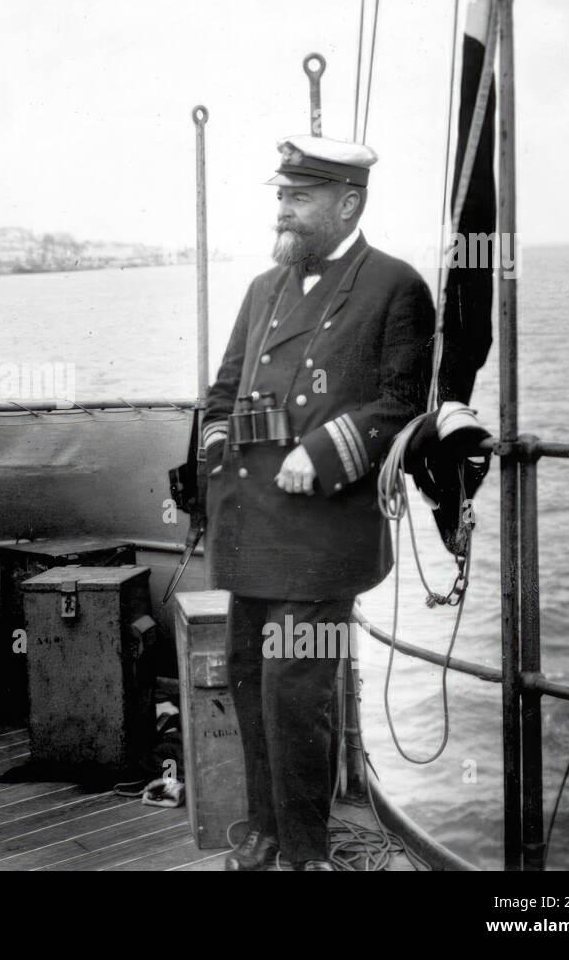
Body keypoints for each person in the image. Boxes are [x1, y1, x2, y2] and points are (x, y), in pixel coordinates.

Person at [202, 135, 435, 871]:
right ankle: (267, 832)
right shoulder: (261, 289)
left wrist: (326, 451)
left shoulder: (396, 287)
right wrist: (212, 447)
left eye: (298, 198)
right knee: (247, 681)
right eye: (281, 196)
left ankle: (305, 855)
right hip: (250, 529)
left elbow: (402, 404)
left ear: (348, 203)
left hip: (323, 540)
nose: (284, 210)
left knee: (293, 696)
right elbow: (222, 391)